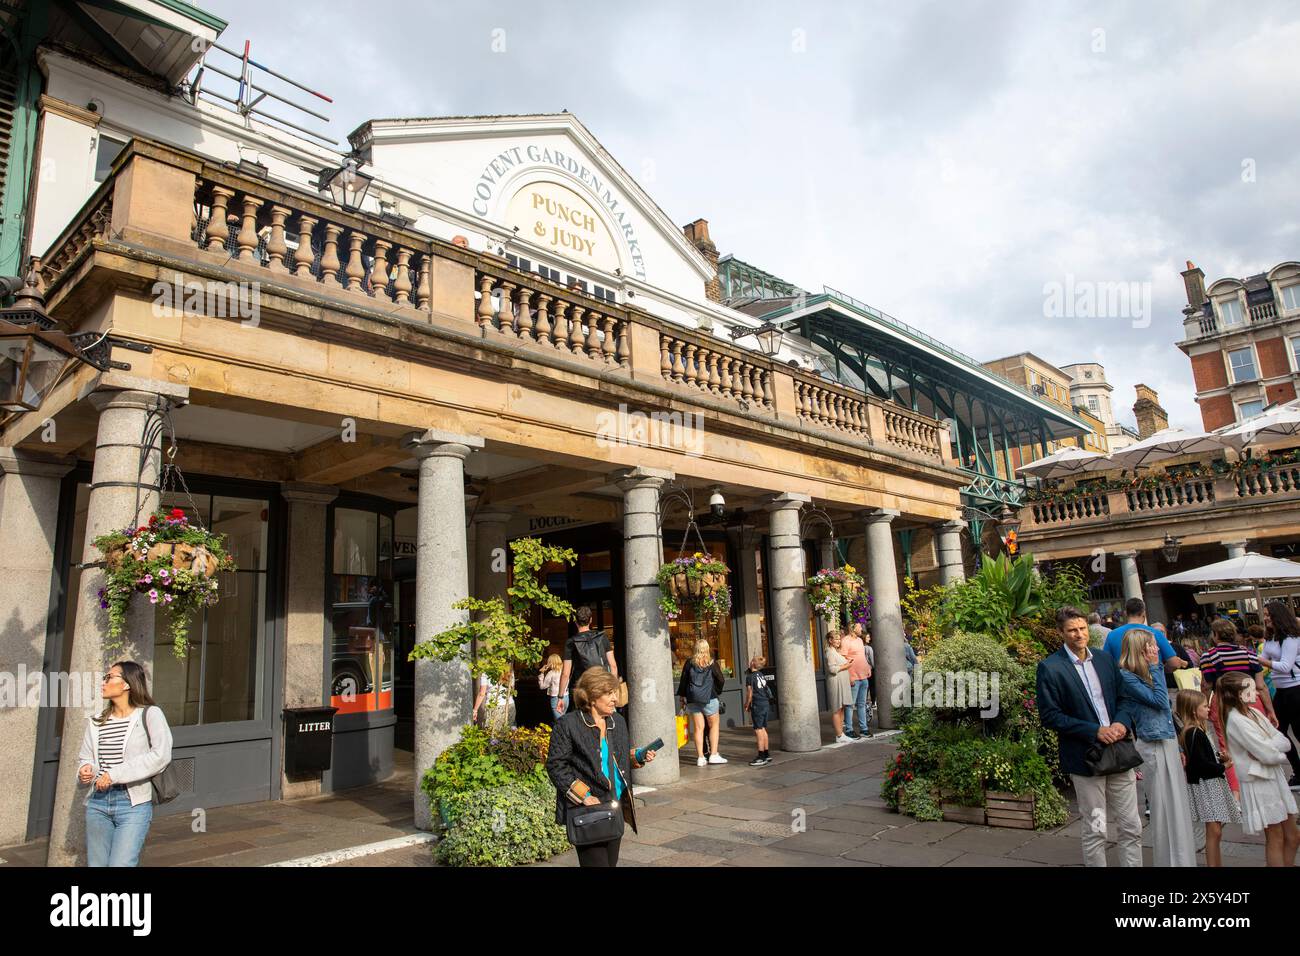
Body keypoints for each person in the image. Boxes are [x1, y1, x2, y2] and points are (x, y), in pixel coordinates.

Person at [1036, 606, 1141, 867]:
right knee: (1096, 829)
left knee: (1132, 826)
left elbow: (1125, 699)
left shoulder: (1105, 660)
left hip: (1119, 752)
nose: (1079, 634)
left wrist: (1121, 723)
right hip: (1086, 759)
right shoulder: (1051, 668)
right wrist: (1094, 730)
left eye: (1082, 628)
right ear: (1061, 632)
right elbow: (1050, 716)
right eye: (1072, 630)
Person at [545, 668, 656, 867]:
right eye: (609, 693)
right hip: (589, 808)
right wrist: (583, 796)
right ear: (592, 697)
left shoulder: (617, 722)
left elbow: (614, 758)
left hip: (614, 805)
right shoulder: (568, 724)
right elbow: (556, 765)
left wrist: (637, 756)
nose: (615, 698)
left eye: (615, 692)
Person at [77, 661, 172, 867]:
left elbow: (161, 755)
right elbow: (86, 758)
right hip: (98, 802)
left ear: (127, 684)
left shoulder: (150, 714)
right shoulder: (96, 721)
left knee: (121, 864)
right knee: (97, 865)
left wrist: (113, 774)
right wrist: (85, 770)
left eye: (109, 677)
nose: (104, 682)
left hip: (132, 804)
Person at [1116, 627, 1196, 866]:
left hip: (1167, 740)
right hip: (1152, 743)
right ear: (1141, 649)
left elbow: (1168, 715)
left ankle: (1182, 859)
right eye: (1152, 645)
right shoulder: (1127, 675)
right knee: (1162, 805)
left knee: (1177, 805)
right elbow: (1160, 702)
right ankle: (1168, 860)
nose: (1157, 649)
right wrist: (1155, 667)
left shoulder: (1151, 672)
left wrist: (1179, 747)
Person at [1219, 672, 1300, 866]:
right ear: (1239, 694)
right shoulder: (1236, 720)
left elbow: (1284, 741)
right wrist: (1273, 752)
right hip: (1259, 782)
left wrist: (1271, 749)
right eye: (1251, 690)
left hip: (1273, 777)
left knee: (1293, 835)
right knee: (1276, 836)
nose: (1256, 693)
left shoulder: (1254, 712)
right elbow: (1268, 754)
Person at [1174, 689, 1240, 867]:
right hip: (1207, 786)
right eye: (1204, 706)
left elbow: (1202, 757)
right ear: (1194, 711)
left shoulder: (1196, 731)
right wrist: (1223, 766)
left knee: (1216, 830)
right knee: (1214, 830)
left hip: (1209, 785)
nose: (1208, 708)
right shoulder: (1193, 733)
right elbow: (1201, 764)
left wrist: (1219, 757)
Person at [1258, 600, 1300, 788]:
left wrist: (1259, 660)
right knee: (1279, 731)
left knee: (1298, 732)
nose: (1265, 618)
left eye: (1268, 615)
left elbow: (1285, 666)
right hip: (1281, 690)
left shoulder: (1291, 637)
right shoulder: (1271, 637)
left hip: (1295, 688)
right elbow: (1263, 661)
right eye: (1265, 615)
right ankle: (1298, 771)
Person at [1102, 598, 1188, 682]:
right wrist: (1161, 670)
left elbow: (1106, 664)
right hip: (1154, 684)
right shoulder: (1155, 633)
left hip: (1125, 686)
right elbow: (1174, 663)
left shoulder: (1112, 635)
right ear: (1144, 614)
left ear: (1125, 613)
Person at [555, 605, 617, 716]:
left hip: (582, 691)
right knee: (607, 721)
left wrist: (560, 697)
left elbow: (565, 673)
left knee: (582, 723)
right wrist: (613, 690)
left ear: (575, 621)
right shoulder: (602, 637)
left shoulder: (571, 642)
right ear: (591, 620)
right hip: (603, 687)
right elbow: (613, 666)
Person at [676, 640, 727, 766]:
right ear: (707, 648)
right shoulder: (711, 663)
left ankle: (700, 757)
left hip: (693, 699)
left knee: (698, 728)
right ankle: (713, 755)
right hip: (709, 698)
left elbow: (683, 681)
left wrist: (682, 697)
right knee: (714, 726)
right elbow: (721, 679)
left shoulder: (689, 663)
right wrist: (716, 691)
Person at [841, 623, 872, 739]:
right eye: (859, 627)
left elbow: (862, 656)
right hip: (853, 677)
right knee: (850, 705)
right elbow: (843, 659)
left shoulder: (859, 640)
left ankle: (864, 729)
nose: (861, 629)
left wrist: (867, 667)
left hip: (864, 676)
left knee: (862, 704)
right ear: (853, 628)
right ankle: (849, 729)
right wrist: (849, 677)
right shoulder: (845, 641)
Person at [824, 630, 855, 744]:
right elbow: (832, 669)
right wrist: (847, 665)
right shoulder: (829, 652)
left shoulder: (835, 652)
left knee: (842, 708)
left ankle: (841, 734)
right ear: (830, 640)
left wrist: (847, 662)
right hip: (835, 682)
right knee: (837, 709)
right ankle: (838, 735)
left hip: (841, 681)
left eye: (839, 639)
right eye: (835, 639)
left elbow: (839, 665)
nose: (838, 641)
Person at [744, 656, 774, 766]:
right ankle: (766, 754)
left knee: (758, 730)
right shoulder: (761, 675)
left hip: (757, 705)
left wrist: (747, 704)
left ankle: (760, 756)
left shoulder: (750, 677)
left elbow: (750, 693)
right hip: (765, 703)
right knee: (763, 729)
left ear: (752, 663)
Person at [472, 666, 513, 734]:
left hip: (494, 706)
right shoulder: (509, 671)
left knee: (493, 733)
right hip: (510, 705)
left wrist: (475, 710)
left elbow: (482, 693)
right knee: (509, 733)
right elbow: (511, 688)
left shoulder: (486, 672)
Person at [538, 653, 567, 721]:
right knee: (563, 719)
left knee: (559, 721)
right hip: (566, 697)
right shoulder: (565, 671)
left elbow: (542, 686)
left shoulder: (551, 673)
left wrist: (542, 673)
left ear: (551, 662)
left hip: (556, 698)